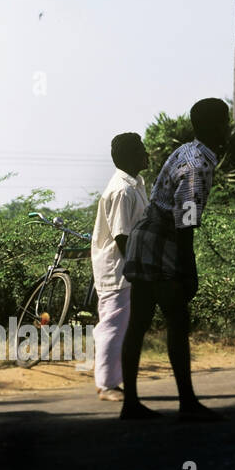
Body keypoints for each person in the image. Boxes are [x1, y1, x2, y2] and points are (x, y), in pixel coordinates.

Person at [120, 97, 231, 422]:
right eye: (224, 121)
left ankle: (132, 403)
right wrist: (188, 271)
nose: (227, 127)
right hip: (163, 240)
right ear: (213, 126)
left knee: (139, 323)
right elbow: (185, 223)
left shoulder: (187, 150)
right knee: (177, 320)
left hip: (146, 235)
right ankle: (186, 402)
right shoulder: (199, 164)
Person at [88, 133, 149, 401]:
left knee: (119, 326)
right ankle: (106, 385)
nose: (146, 152)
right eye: (141, 149)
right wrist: (137, 267)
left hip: (126, 268)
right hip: (118, 270)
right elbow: (122, 236)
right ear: (130, 157)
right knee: (112, 326)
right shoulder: (123, 190)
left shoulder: (135, 184)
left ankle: (113, 381)